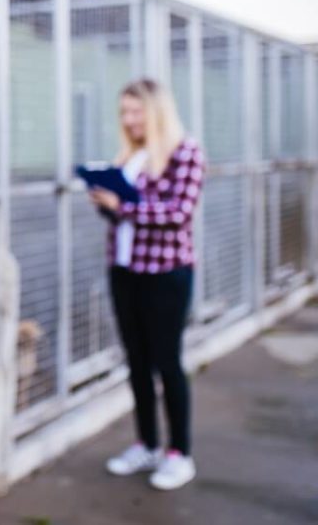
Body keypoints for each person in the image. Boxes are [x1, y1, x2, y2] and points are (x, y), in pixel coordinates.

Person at [87, 78, 205, 491]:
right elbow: (124, 218)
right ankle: (148, 445)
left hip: (166, 274)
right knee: (136, 361)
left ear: (156, 111)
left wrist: (125, 205)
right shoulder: (130, 154)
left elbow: (179, 213)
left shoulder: (185, 151)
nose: (129, 119)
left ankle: (180, 454)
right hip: (124, 270)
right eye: (124, 112)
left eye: (136, 111)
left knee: (167, 362)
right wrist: (106, 204)